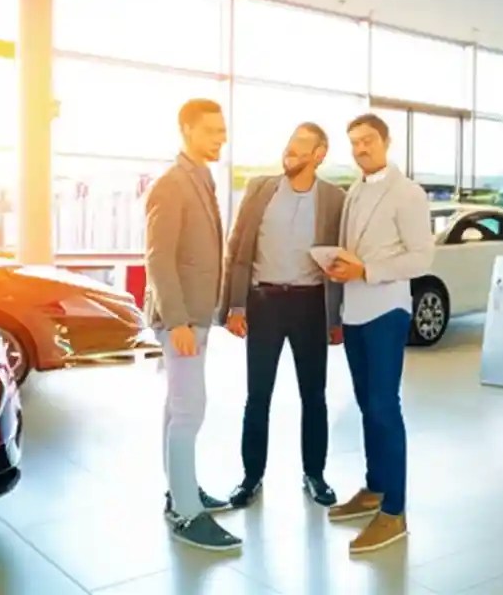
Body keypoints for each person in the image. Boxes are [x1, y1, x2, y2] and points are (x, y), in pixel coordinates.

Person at [220, 123, 346, 509]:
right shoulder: (260, 189)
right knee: (257, 396)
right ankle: (250, 478)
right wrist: (234, 306)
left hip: (310, 305)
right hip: (264, 302)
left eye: (300, 146)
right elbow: (237, 247)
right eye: (288, 144)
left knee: (315, 395)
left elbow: (340, 257)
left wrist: (335, 317)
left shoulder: (334, 199)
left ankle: (315, 474)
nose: (290, 151)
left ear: (319, 153)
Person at [324, 113, 434, 554]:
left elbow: (422, 258)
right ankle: (375, 488)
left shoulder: (407, 193)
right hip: (354, 312)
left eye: (368, 140)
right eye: (354, 143)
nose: (361, 149)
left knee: (385, 407)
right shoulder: (354, 191)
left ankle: (395, 512)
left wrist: (367, 269)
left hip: (387, 311)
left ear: (386, 142)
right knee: (367, 405)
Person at [143, 98, 240, 551]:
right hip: (181, 319)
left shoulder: (201, 179)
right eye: (211, 131)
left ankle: (180, 491)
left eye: (223, 130)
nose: (221, 138)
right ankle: (186, 512)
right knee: (189, 411)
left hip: (196, 316)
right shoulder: (171, 184)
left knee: (175, 407)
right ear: (186, 130)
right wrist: (177, 320)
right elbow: (158, 258)